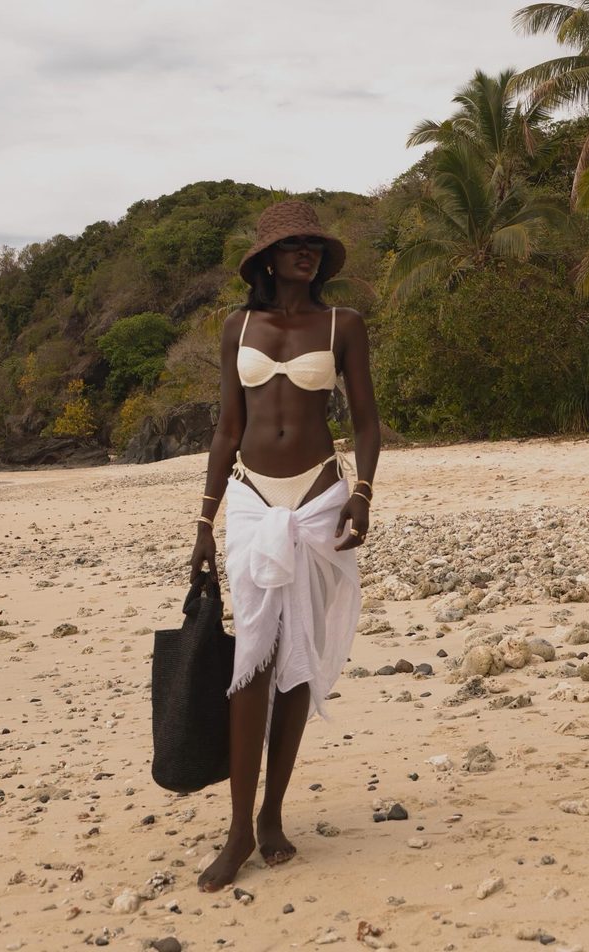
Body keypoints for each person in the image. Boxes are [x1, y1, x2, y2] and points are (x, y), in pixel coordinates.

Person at [189, 199, 380, 892]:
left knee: (296, 656)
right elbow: (225, 429)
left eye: (314, 244)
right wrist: (203, 522)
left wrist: (363, 494)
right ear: (267, 258)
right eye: (294, 243)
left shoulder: (342, 324)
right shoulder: (237, 327)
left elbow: (367, 422)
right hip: (252, 500)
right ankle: (239, 829)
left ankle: (272, 815)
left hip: (320, 498)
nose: (307, 252)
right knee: (253, 658)